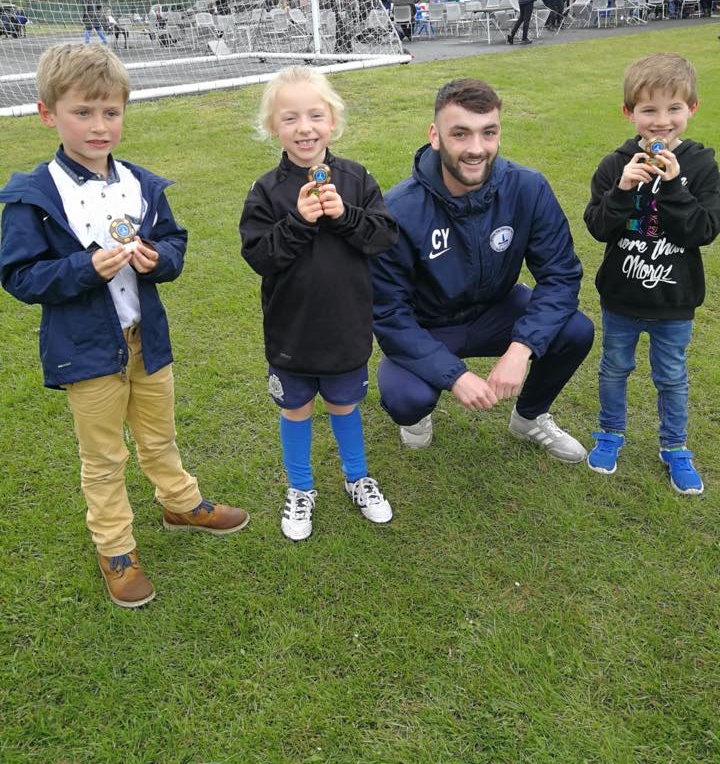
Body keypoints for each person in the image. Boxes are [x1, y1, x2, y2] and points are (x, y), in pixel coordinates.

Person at [0, 45, 249, 608]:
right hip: (86, 352)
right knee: (104, 458)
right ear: (48, 114)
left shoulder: (139, 184)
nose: (98, 125)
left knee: (160, 435)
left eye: (110, 112)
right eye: (83, 112)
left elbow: (176, 244)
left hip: (146, 342)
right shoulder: (34, 196)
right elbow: (19, 276)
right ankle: (115, 546)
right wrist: (84, 268)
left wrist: (158, 259)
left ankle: (180, 502)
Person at [371, 78, 594, 460]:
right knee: (406, 396)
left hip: (498, 309)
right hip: (430, 325)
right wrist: (454, 375)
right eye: (460, 134)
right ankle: (416, 418)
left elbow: (561, 275)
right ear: (435, 135)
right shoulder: (397, 210)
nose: (476, 149)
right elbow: (389, 313)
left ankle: (529, 417)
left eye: (488, 133)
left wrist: (521, 348)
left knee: (575, 330)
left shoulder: (528, 188)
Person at [239, 66, 398, 541]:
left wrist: (345, 216)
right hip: (292, 330)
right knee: (296, 410)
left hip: (346, 326)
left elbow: (384, 236)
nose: (304, 127)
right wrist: (298, 222)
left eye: (314, 115)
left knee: (344, 405)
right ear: (274, 128)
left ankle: (357, 478)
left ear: (333, 121)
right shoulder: (265, 190)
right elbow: (259, 255)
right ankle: (301, 489)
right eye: (290, 118)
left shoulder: (356, 178)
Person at [583, 54, 720, 493]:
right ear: (630, 113)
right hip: (622, 298)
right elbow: (597, 226)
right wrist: (623, 190)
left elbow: (704, 230)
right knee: (614, 368)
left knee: (672, 375)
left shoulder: (700, 166)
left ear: (692, 108)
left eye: (673, 109)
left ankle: (675, 446)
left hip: (674, 302)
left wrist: (677, 187)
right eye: (649, 110)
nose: (661, 122)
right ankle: (609, 433)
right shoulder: (614, 164)